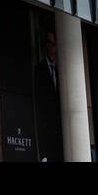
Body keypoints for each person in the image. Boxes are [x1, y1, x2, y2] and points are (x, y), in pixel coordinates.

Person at [33, 25, 64, 161]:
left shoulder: (63, 70)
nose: (52, 48)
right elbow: (39, 110)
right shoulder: (38, 70)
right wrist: (43, 152)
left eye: (55, 44)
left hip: (63, 138)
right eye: (49, 43)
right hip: (48, 138)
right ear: (45, 44)